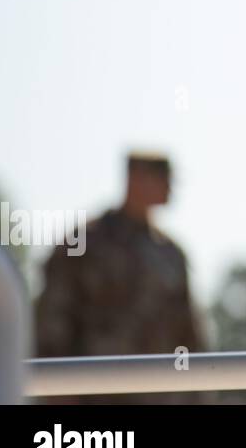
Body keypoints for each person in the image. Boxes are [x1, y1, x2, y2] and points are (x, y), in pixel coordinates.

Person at [34, 152, 207, 404]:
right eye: (162, 177)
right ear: (135, 178)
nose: (170, 186)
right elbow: (52, 326)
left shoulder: (170, 253)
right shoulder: (84, 243)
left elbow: (189, 337)